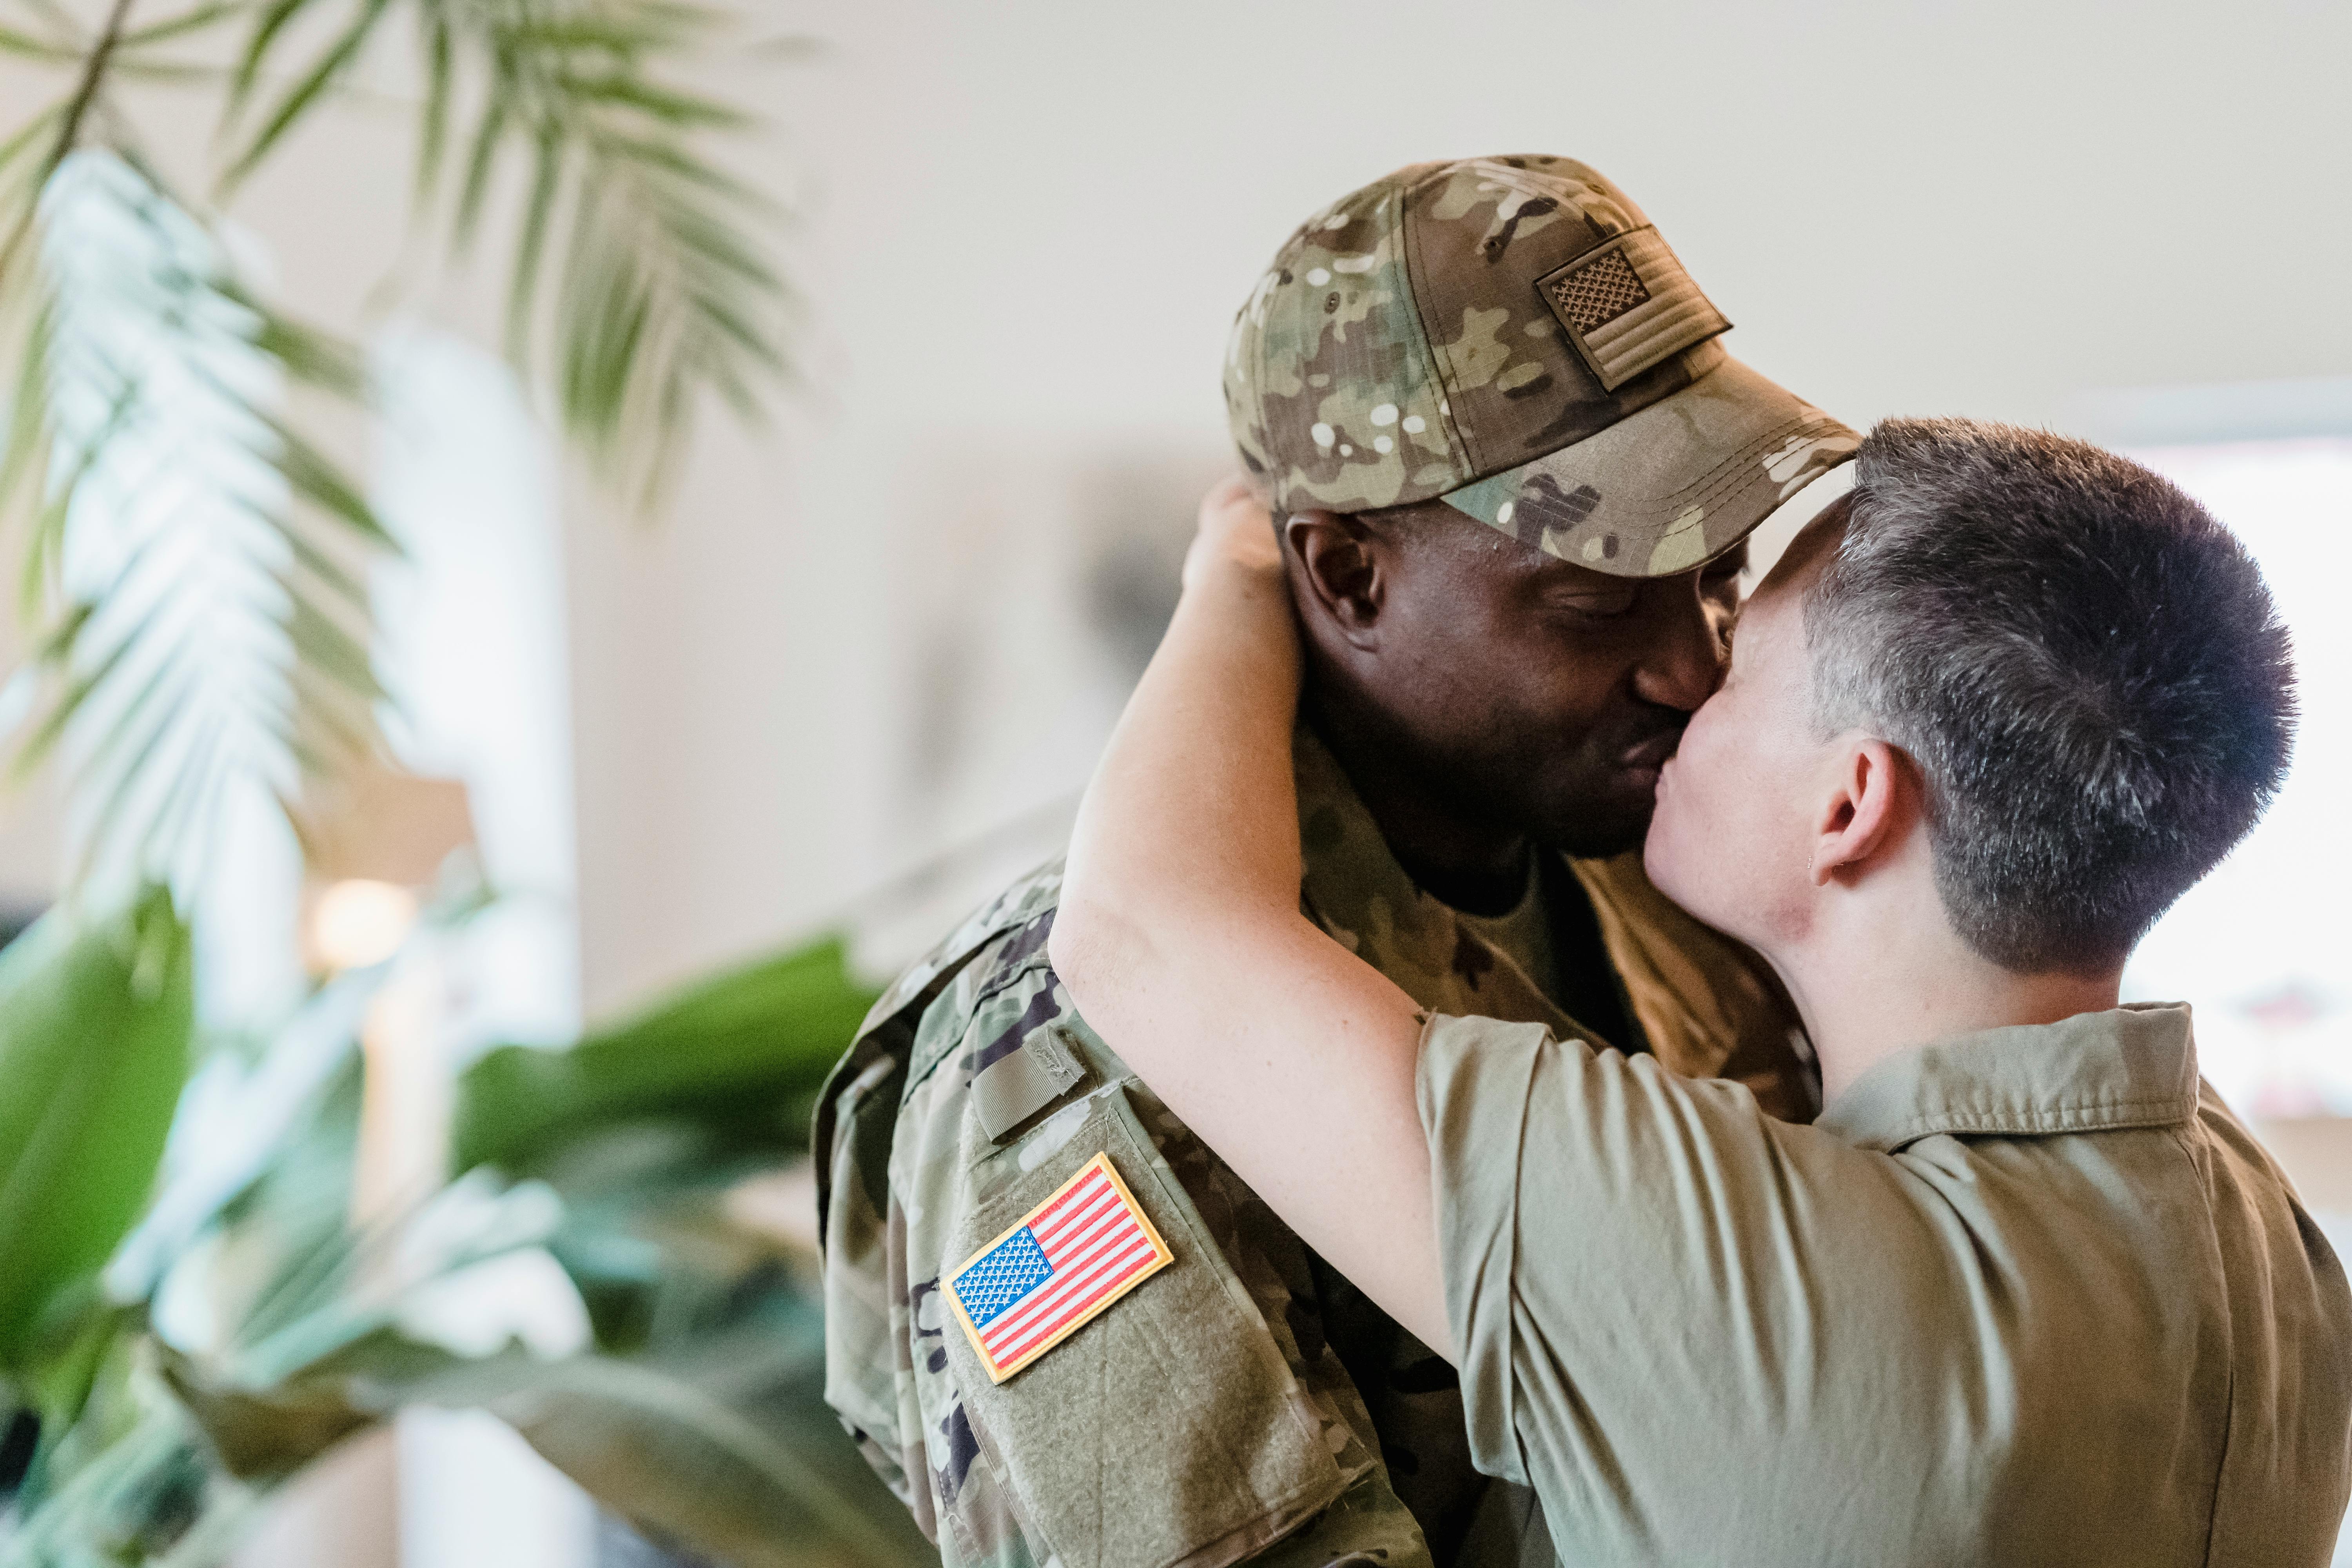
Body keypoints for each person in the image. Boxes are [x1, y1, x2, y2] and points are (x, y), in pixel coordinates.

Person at [1049, 419, 2352, 1566]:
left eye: (1744, 666)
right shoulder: (2275, 1252)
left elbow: (1146, 930)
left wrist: (1233, 560)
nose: (1686, 681)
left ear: (1848, 804)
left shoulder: (1743, 1270)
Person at [812, 155, 1857, 1568]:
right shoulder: (1064, 1048)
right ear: (1351, 575)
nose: (1692, 663)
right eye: (1600, 597)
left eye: (1718, 571)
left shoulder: (1669, 882)